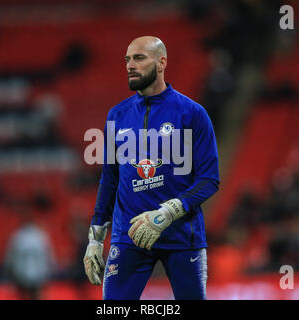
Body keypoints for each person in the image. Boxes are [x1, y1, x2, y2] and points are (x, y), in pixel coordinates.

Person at [83, 36, 219, 300]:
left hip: (181, 236)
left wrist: (167, 213)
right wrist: (96, 238)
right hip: (128, 236)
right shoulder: (117, 115)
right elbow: (110, 180)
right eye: (127, 59)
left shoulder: (192, 113)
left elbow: (209, 179)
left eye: (139, 58)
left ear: (161, 62)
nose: (130, 65)